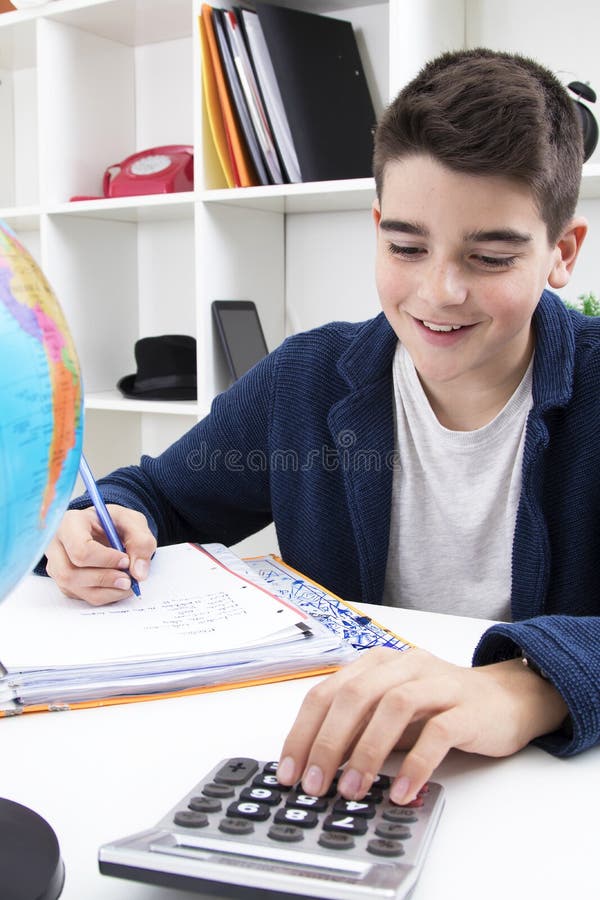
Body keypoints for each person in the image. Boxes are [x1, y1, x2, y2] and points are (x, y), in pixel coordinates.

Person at [44, 48, 599, 806]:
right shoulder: (308, 378)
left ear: (562, 252)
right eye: (406, 247)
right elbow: (156, 494)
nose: (440, 291)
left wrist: (529, 688)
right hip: (342, 778)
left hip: (544, 794)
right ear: (376, 230)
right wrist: (102, 522)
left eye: (491, 257)